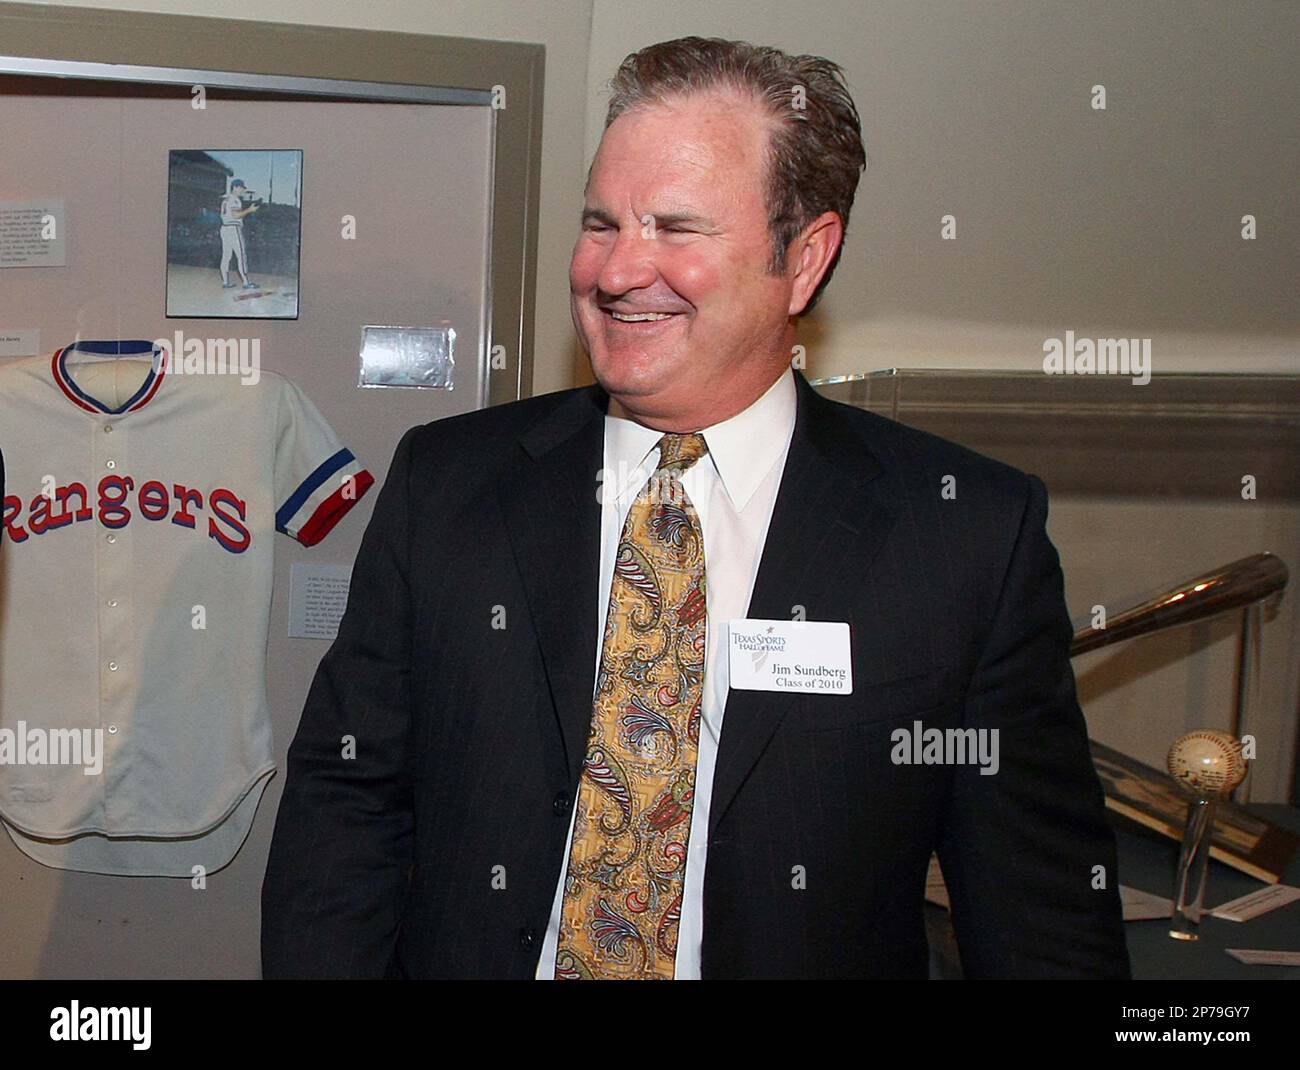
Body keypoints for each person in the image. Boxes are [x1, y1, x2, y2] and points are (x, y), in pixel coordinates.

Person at [261, 36, 1130, 980]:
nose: (618, 271)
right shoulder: (451, 484)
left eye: (676, 229)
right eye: (602, 224)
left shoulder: (963, 536)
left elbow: (1041, 915)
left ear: (804, 258)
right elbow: (347, 801)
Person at [217, 178, 260, 290]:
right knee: (241, 255)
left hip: (224, 228)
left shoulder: (226, 199)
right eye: (241, 188)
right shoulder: (235, 200)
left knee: (226, 256)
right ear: (235, 187)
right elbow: (236, 215)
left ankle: (225, 282)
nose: (242, 190)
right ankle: (246, 283)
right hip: (233, 228)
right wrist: (249, 210)